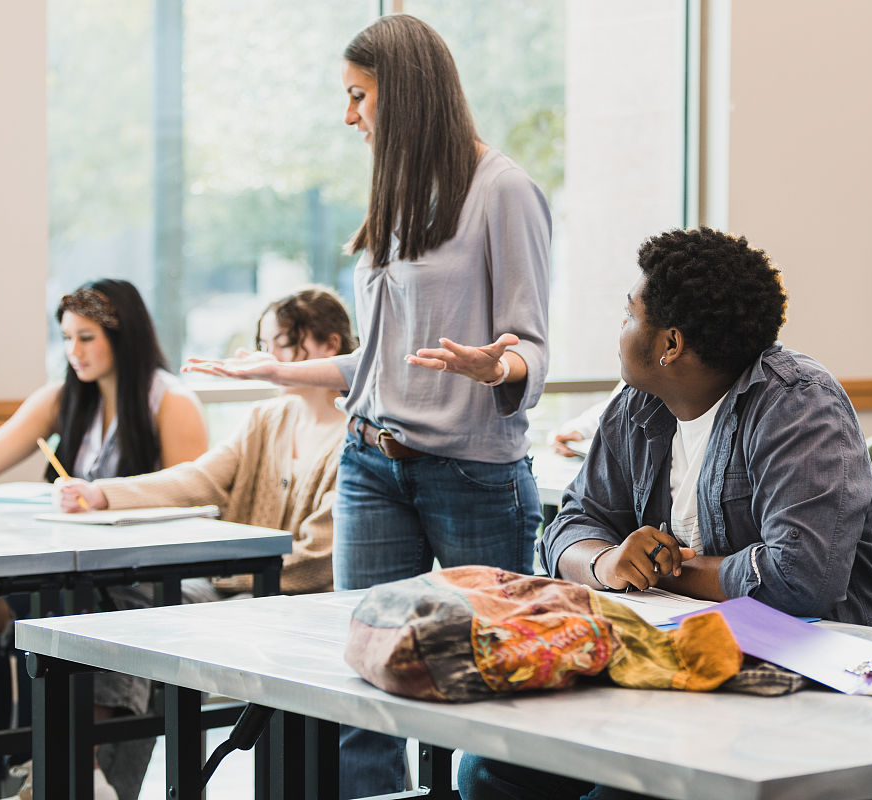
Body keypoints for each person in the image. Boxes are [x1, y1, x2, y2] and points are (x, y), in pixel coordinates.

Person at [184, 14, 549, 797]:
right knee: (364, 687)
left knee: (494, 687)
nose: (349, 115)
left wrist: (498, 365)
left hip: (472, 476)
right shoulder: (396, 196)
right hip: (372, 465)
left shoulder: (503, 190)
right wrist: (282, 375)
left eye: (358, 97)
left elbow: (533, 351)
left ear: (406, 95)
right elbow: (383, 363)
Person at [458, 227, 872, 800]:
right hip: (682, 670)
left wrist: (663, 569)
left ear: (670, 344)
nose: (619, 328)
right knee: (487, 768)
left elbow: (802, 581)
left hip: (815, 678)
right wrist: (607, 564)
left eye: (629, 314)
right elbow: (570, 525)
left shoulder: (798, 404)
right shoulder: (637, 405)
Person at [0, 279, 209, 800]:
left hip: (141, 571)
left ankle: (72, 766)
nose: (72, 352)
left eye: (86, 338)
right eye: (66, 339)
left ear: (123, 337)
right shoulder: (64, 397)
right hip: (74, 563)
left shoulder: (172, 403)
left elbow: (193, 497)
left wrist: (105, 496)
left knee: (73, 612)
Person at [58, 286, 355, 596]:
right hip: (237, 584)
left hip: (291, 601)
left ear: (331, 345)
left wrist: (221, 574)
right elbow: (200, 478)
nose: (270, 359)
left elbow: (317, 560)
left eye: (284, 344)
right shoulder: (266, 418)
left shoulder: (356, 437)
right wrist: (100, 494)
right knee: (120, 588)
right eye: (265, 346)